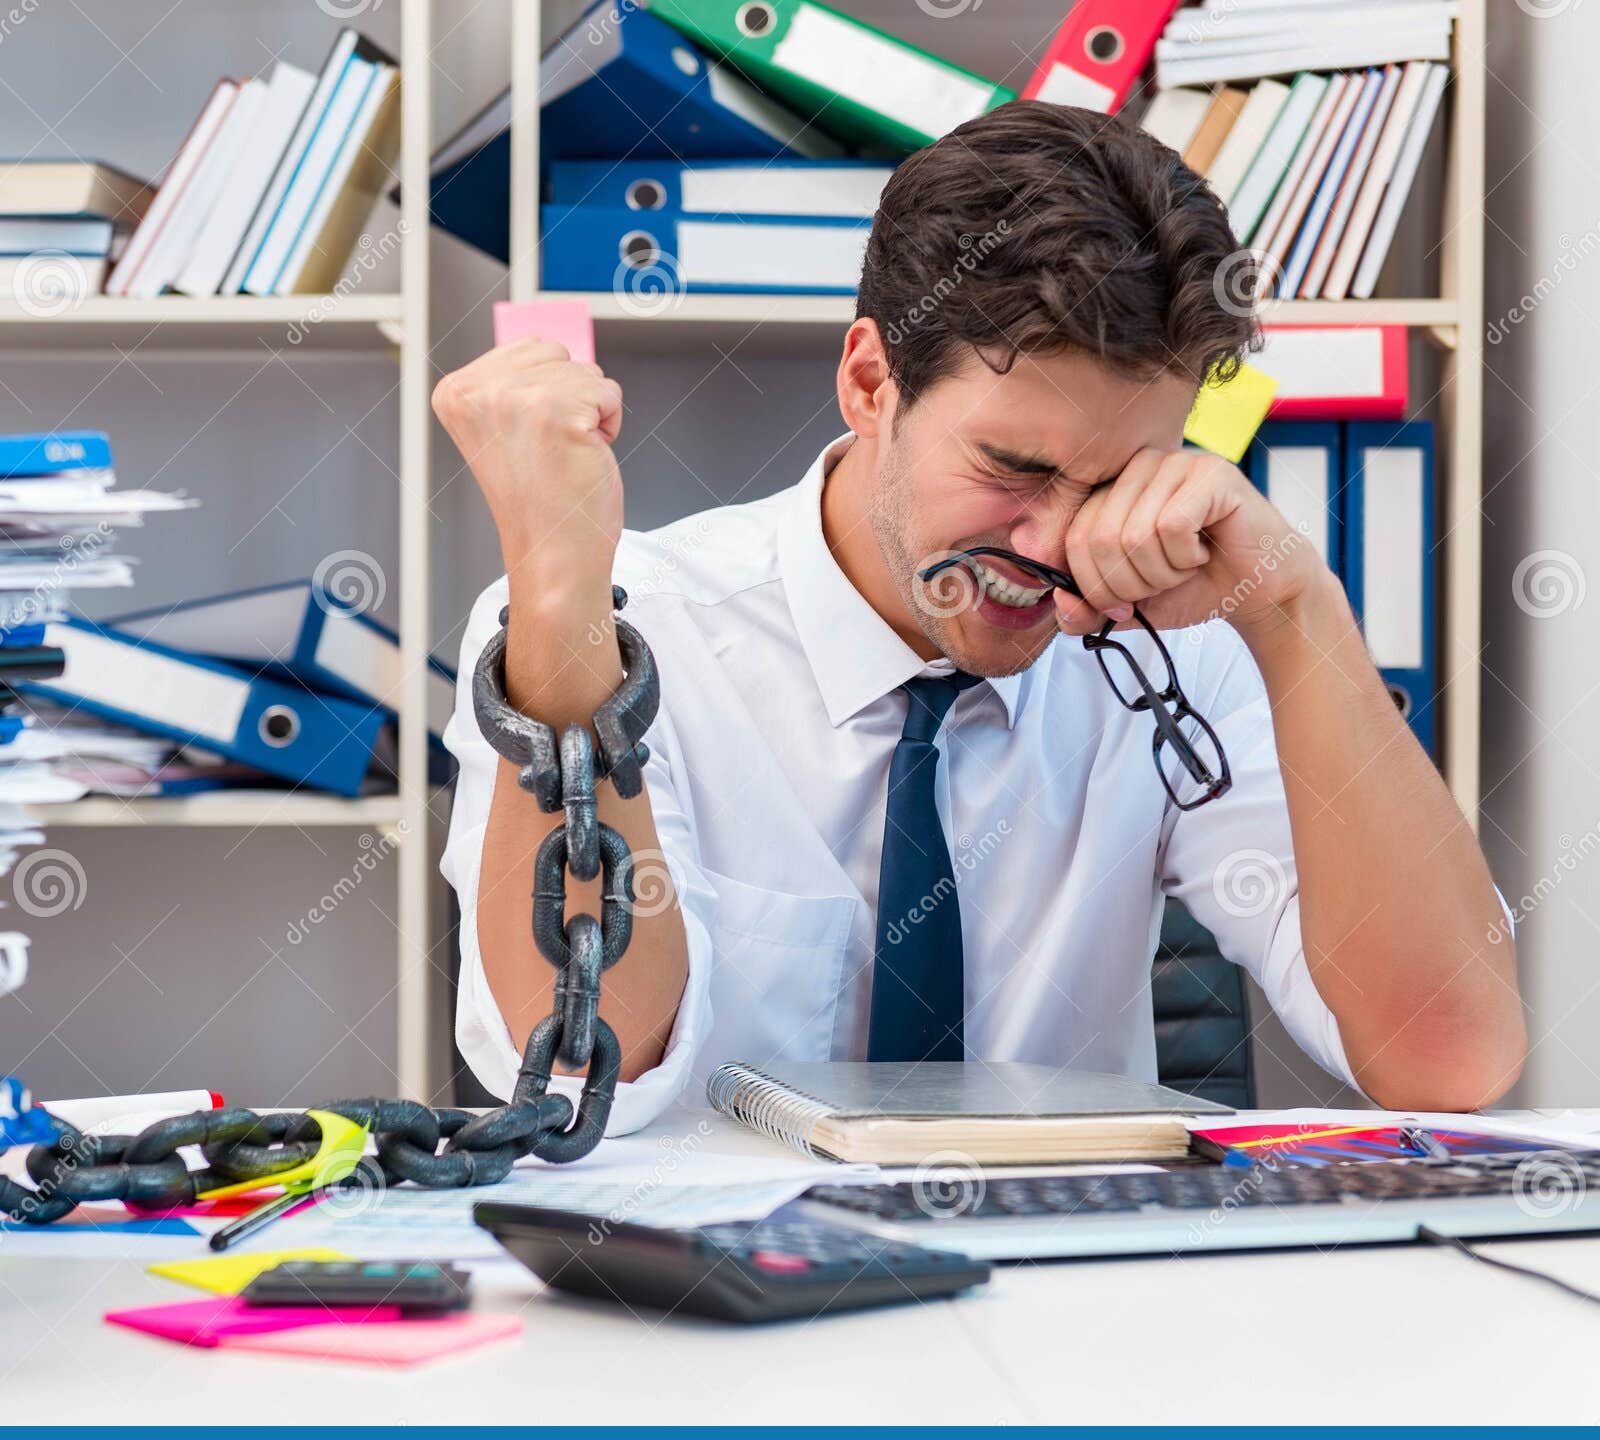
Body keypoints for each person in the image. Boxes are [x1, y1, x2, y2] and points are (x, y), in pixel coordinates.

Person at [433, 101, 1525, 1130]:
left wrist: (1294, 608)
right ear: (870, 383)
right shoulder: (617, 629)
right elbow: (578, 1054)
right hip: (701, 1309)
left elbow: (1449, 1059)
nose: (1052, 546)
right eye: (1014, 465)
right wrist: (560, 600)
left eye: (1116, 481)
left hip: (1069, 1307)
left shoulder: (1185, 643)